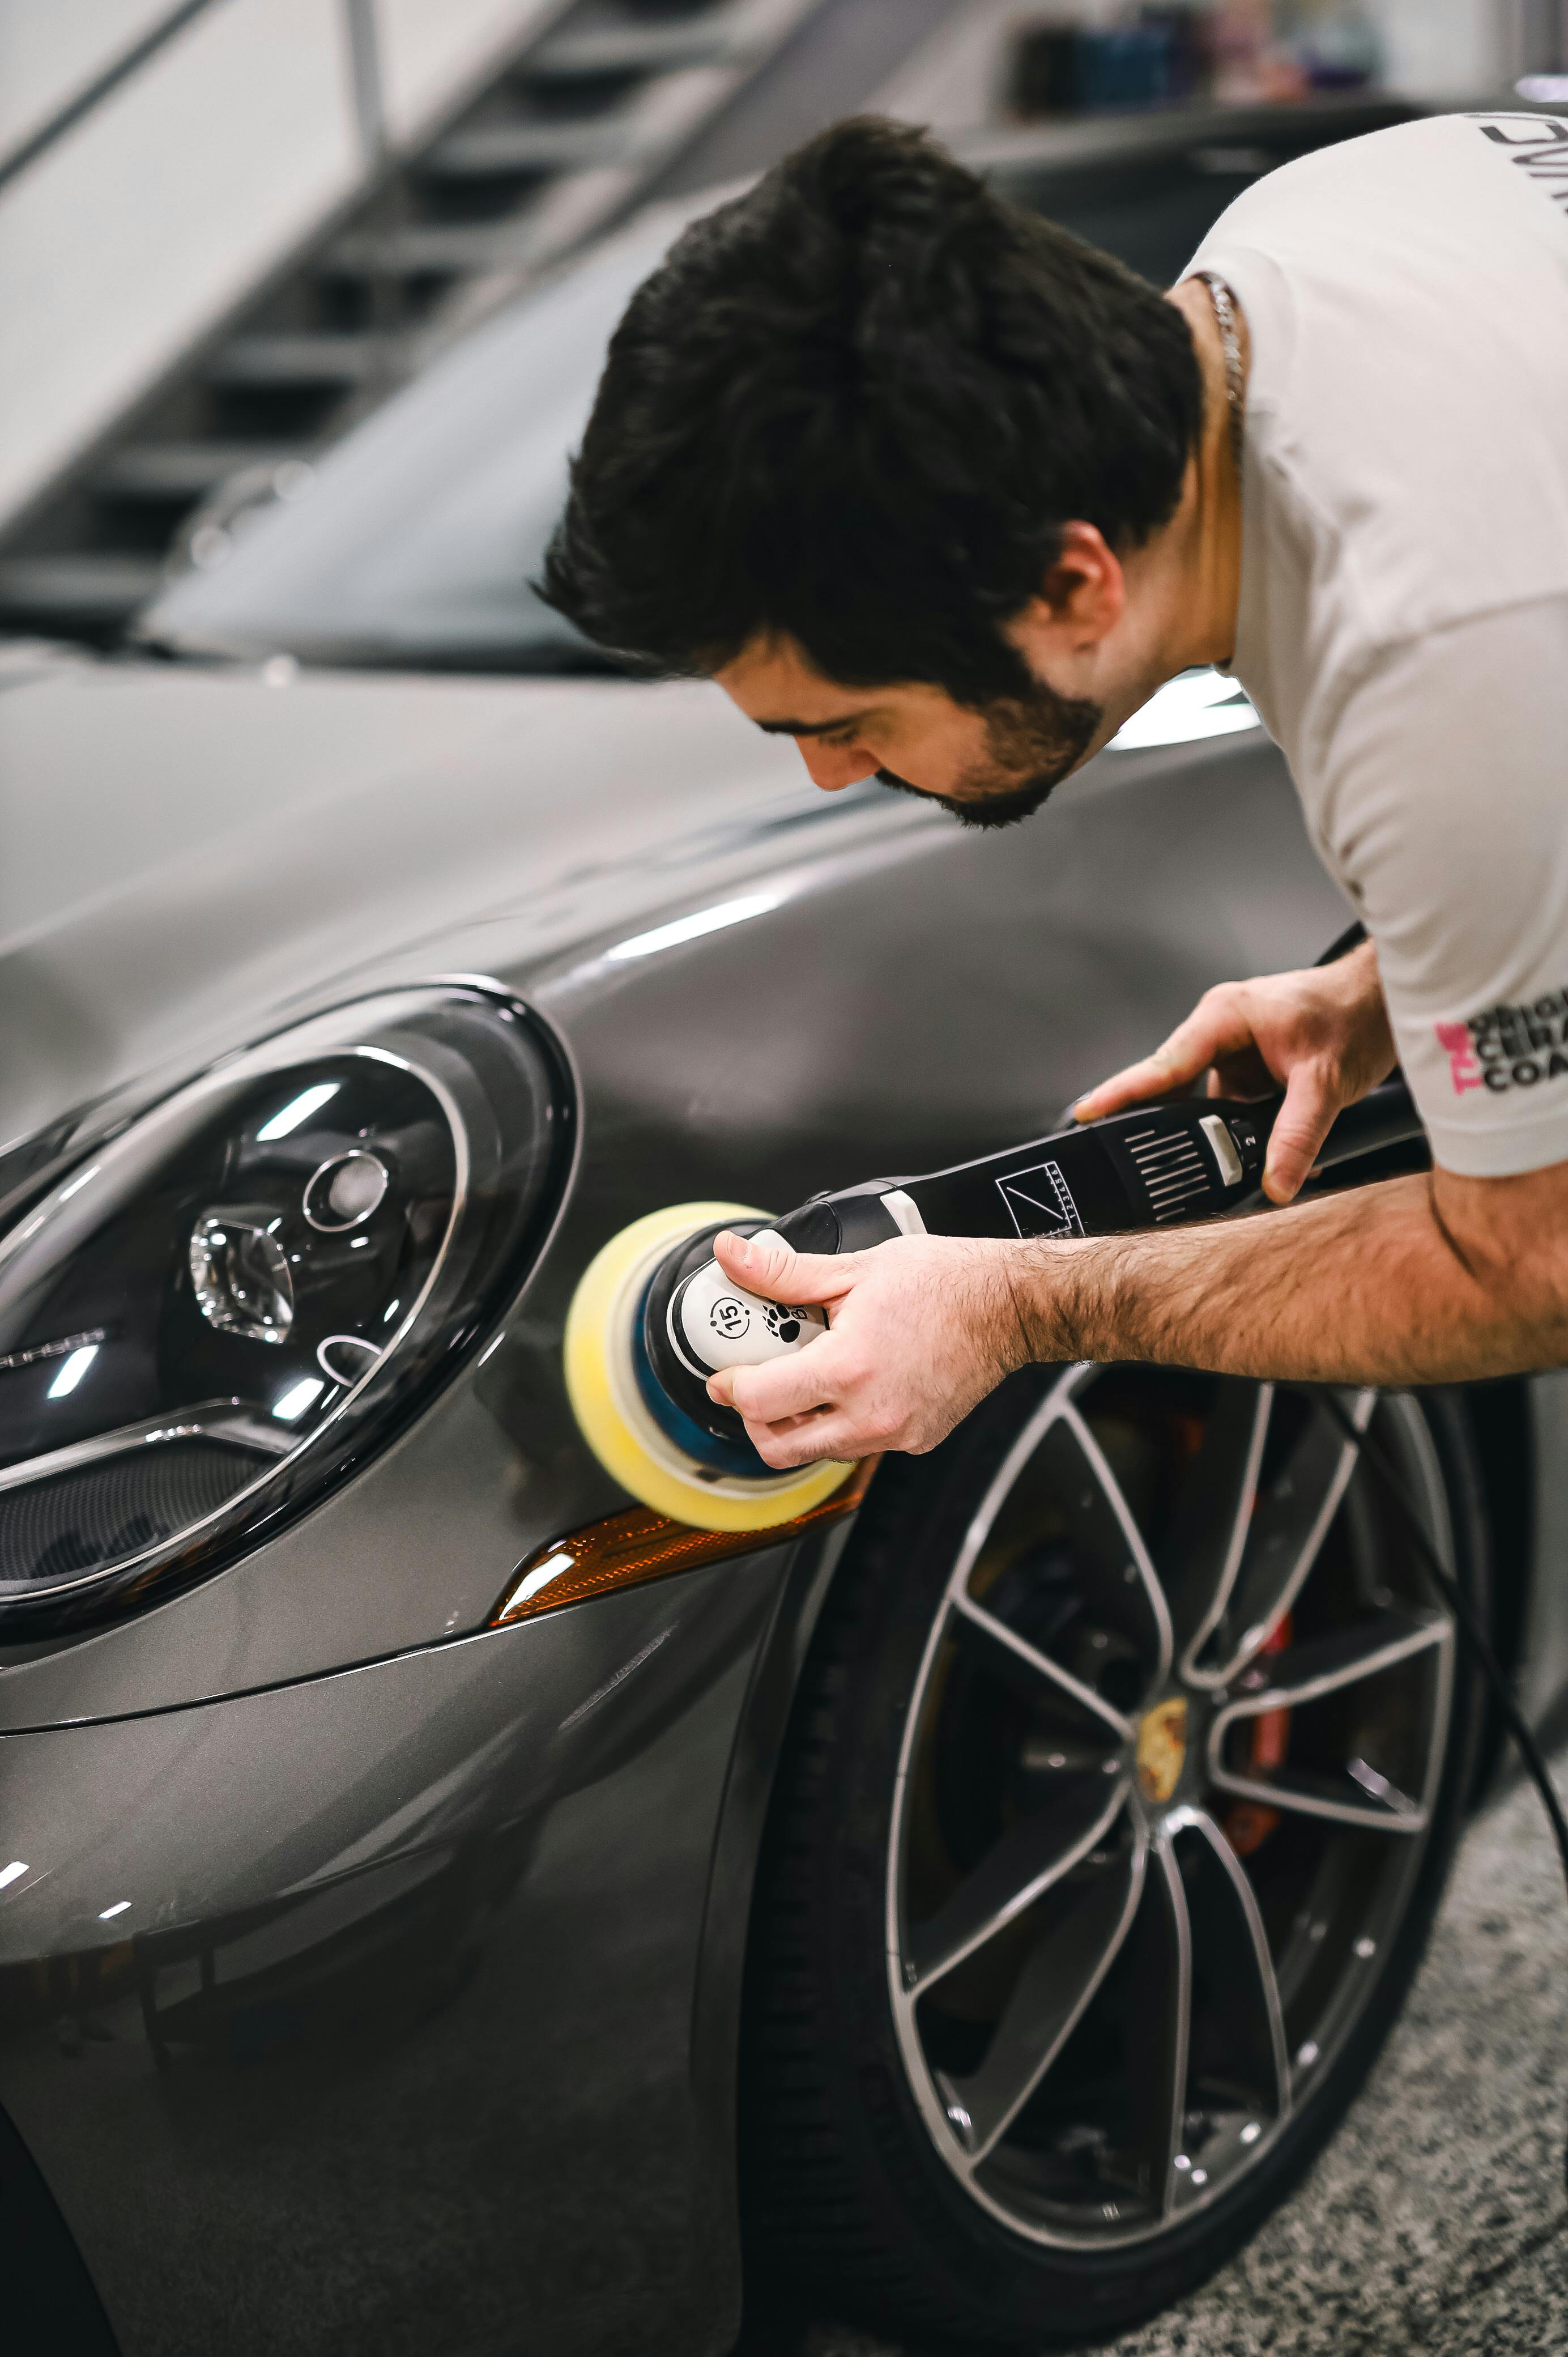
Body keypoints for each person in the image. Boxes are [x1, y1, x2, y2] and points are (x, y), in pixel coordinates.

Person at [542, 110, 1568, 1472]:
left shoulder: (1426, 656)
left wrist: (1018, 1304)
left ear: (1071, 584)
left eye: (851, 720)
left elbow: (1527, 1265)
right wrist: (1403, 984)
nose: (829, 771)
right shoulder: (1321, 218)